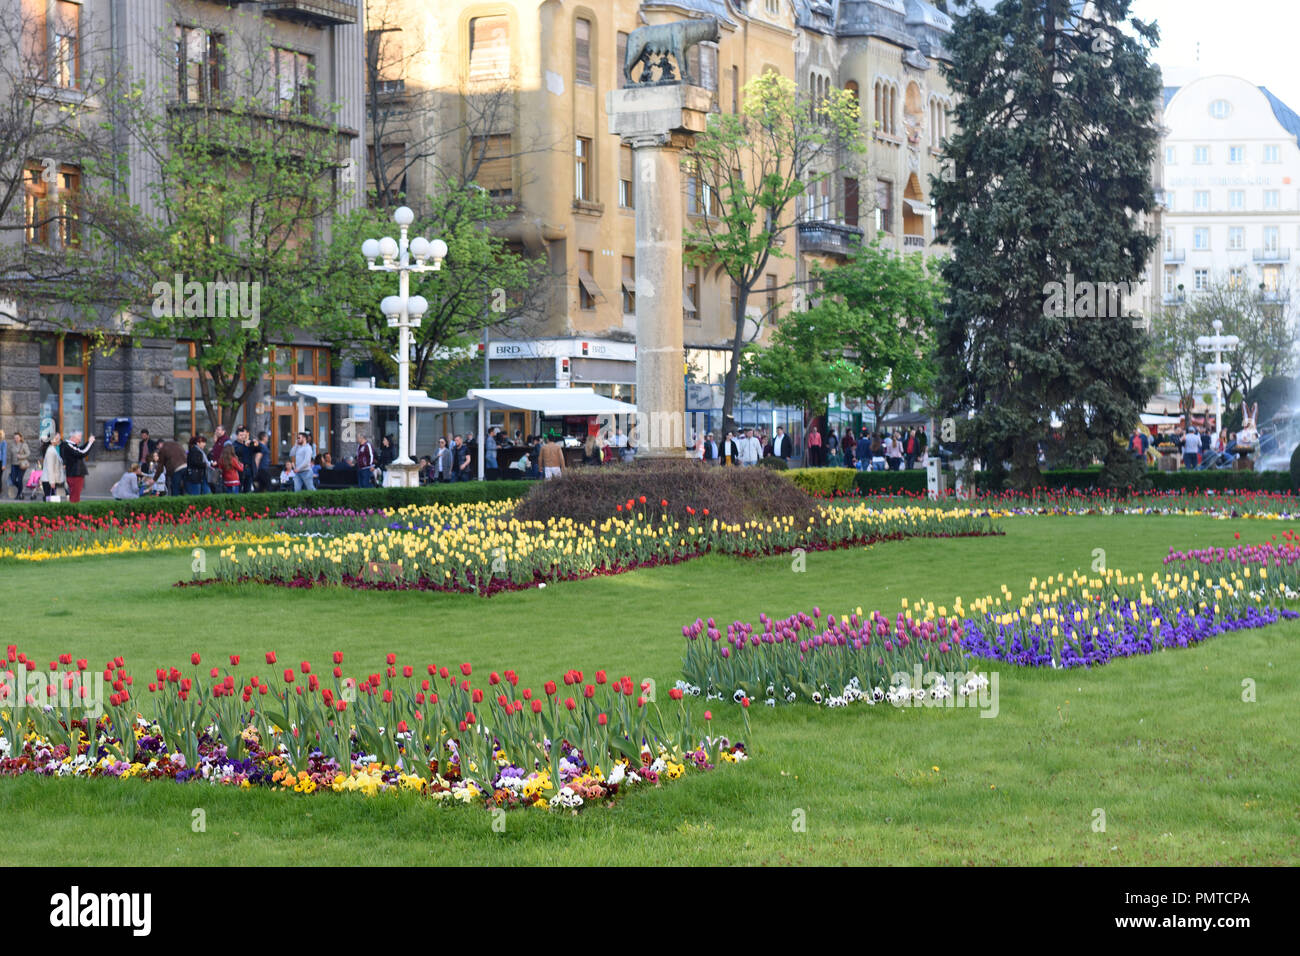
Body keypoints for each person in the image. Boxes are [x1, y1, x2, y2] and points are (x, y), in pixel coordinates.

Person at [60, 431, 94, 502]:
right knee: (75, 497)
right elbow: (82, 453)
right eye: (79, 438)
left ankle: (73, 512)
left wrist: (88, 442)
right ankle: (74, 512)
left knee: (75, 496)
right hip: (75, 474)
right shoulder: (67, 445)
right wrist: (90, 443)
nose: (80, 440)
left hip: (75, 474)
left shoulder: (69, 445)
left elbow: (80, 449)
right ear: (73, 438)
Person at [8, 431, 31, 499]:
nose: (16, 439)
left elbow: (28, 453)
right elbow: (11, 455)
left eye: (17, 437)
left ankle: (19, 494)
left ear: (20, 438)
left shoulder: (24, 444)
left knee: (20, 479)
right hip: (14, 465)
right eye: (15, 438)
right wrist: (10, 464)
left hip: (21, 465)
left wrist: (20, 456)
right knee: (13, 480)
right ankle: (21, 491)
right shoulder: (12, 445)